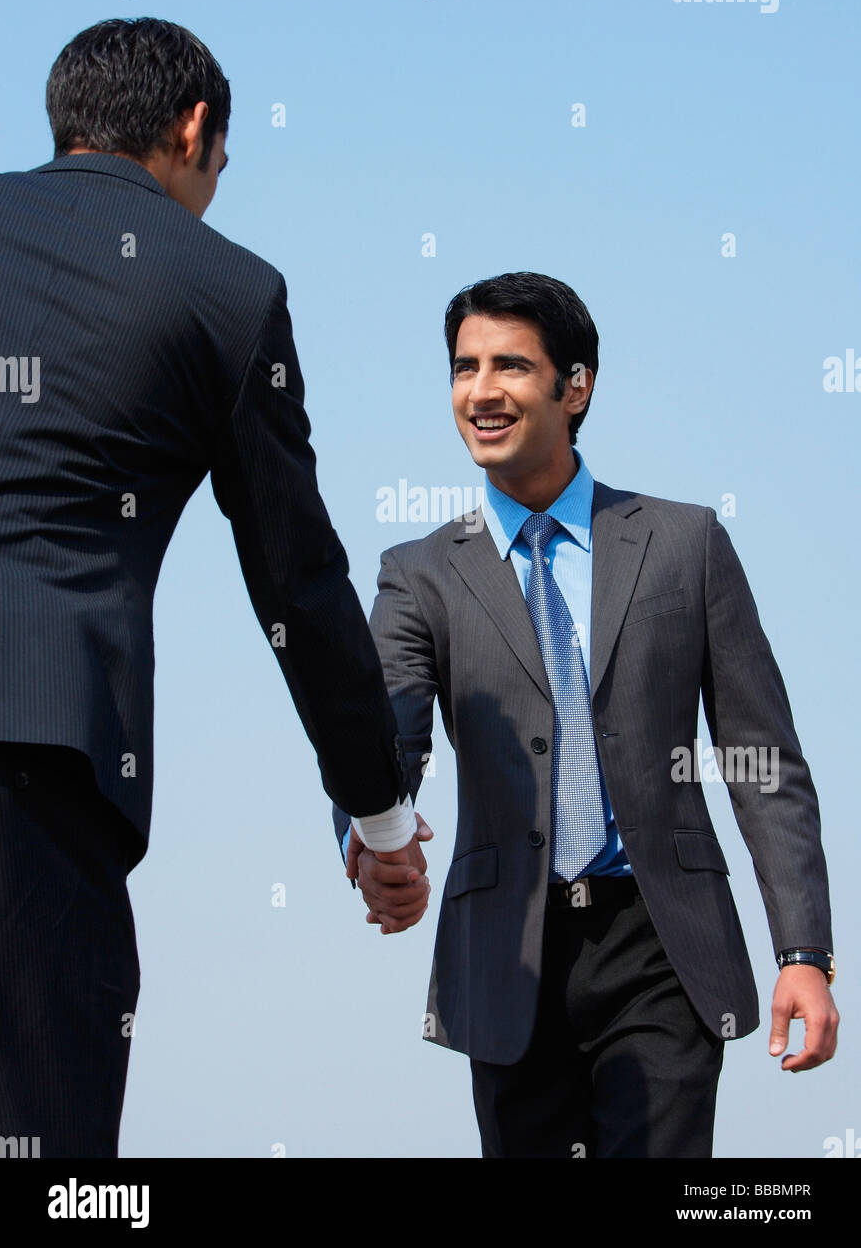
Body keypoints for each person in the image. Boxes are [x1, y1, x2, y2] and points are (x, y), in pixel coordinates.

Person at [0, 17, 424, 1158]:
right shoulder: (224, 291)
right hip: (37, 757)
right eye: (221, 165)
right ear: (193, 130)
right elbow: (297, 581)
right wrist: (378, 813)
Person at [336, 270, 838, 1158]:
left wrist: (802, 952)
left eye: (509, 367)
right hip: (506, 957)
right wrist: (371, 837)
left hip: (661, 945)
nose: (480, 393)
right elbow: (387, 737)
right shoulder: (418, 573)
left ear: (575, 387)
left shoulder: (684, 544)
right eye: (463, 369)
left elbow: (763, 761)